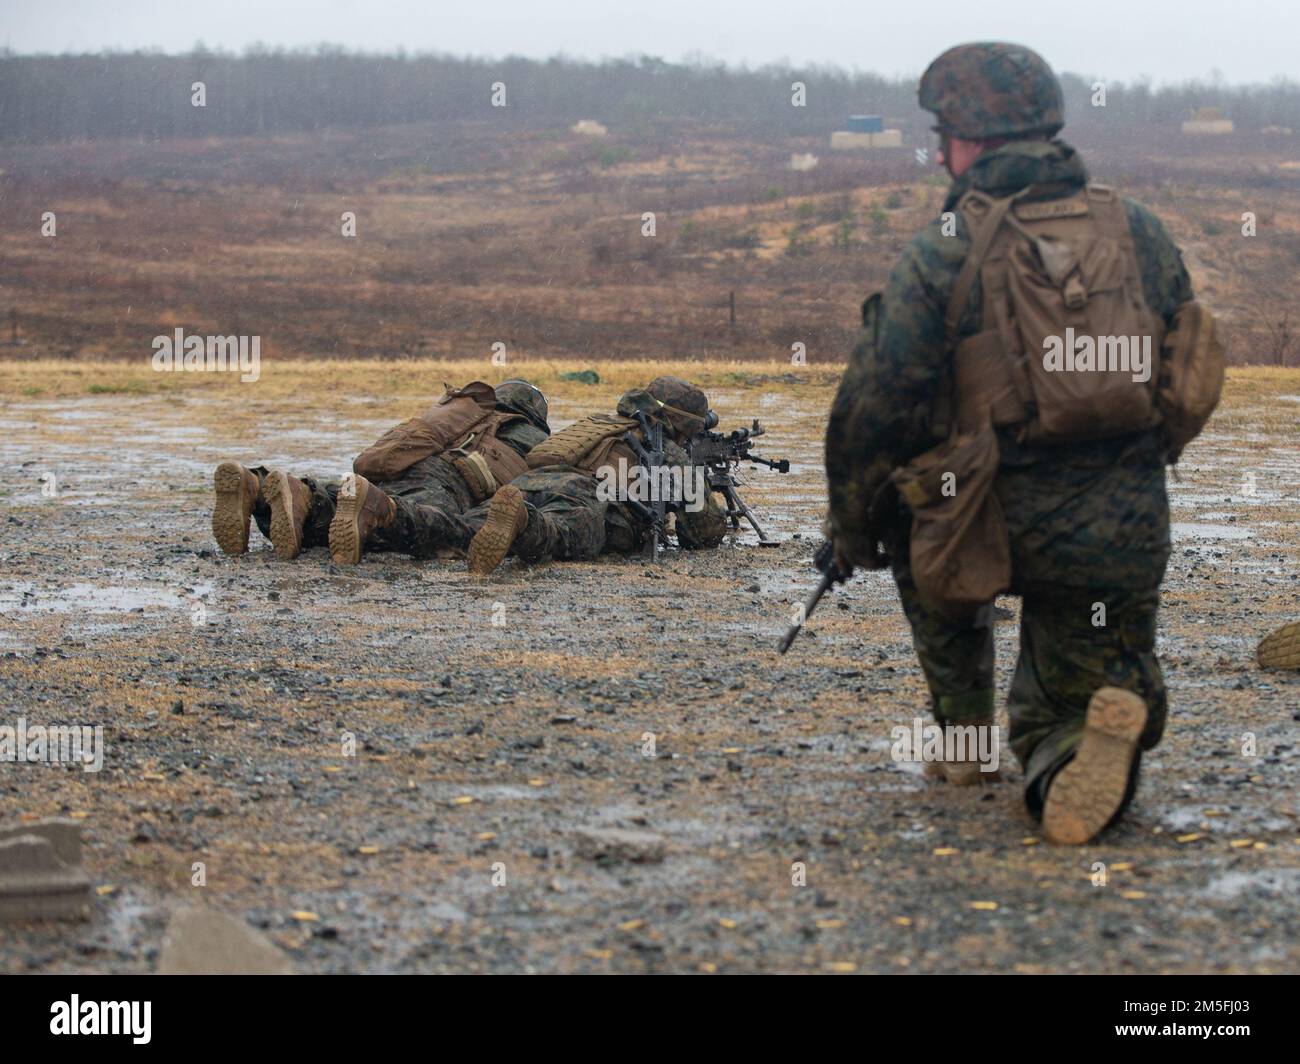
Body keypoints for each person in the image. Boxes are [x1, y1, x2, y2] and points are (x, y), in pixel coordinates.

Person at [824, 42, 1214, 845]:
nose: (938, 152)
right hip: (1121, 522)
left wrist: (855, 527)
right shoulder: (1133, 227)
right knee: (1079, 686)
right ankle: (1072, 748)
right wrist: (1142, 465)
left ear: (968, 141)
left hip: (976, 519)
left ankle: (964, 742)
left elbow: (877, 406)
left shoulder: (944, 242)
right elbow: (1190, 363)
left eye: (944, 135)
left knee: (918, 529)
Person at [340, 376, 729, 574]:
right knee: (552, 536)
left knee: (458, 531)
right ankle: (523, 522)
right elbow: (703, 534)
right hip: (586, 500)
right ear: (683, 425)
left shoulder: (600, 425)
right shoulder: (670, 452)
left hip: (526, 483)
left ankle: (387, 511)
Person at [210, 379, 549, 562]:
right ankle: (380, 508)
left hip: (395, 466)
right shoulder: (531, 434)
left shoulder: (465, 411)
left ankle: (268, 489)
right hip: (447, 479)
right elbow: (542, 483)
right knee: (433, 529)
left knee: (342, 511)